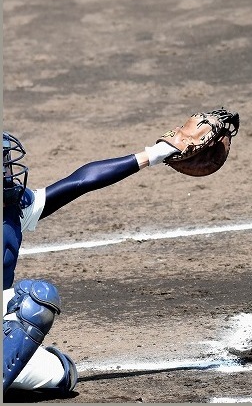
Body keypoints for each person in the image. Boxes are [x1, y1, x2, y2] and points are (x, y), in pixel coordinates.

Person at [3, 131, 180, 395]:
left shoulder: (14, 206)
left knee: (62, 374)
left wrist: (157, 153)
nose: (8, 169)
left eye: (6, 161)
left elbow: (80, 181)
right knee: (35, 300)